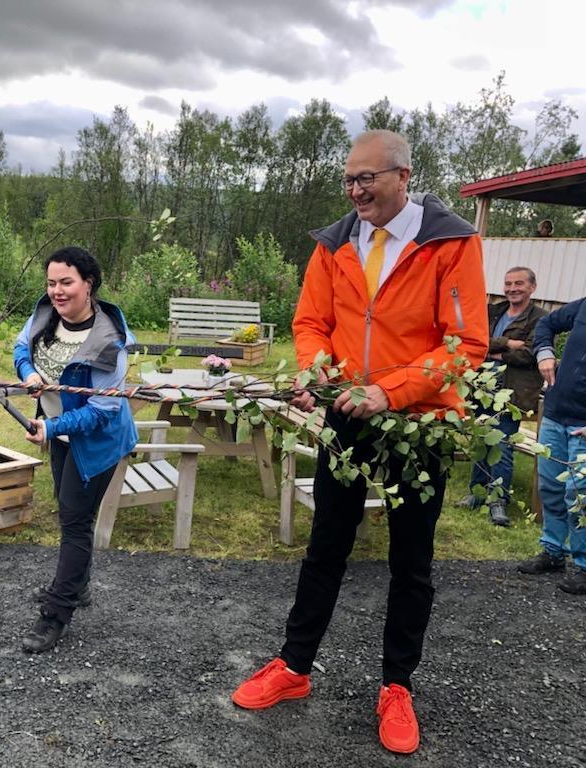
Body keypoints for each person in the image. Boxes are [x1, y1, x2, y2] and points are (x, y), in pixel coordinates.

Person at [230, 130, 487, 754]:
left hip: (416, 422)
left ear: (404, 175)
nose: (355, 190)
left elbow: (467, 345)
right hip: (347, 412)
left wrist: (391, 392)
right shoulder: (336, 242)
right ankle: (294, 668)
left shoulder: (452, 243)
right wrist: (318, 371)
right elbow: (311, 322)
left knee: (411, 560)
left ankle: (396, 686)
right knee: (326, 545)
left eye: (366, 178)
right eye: (349, 179)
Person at [13, 246, 138, 653]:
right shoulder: (45, 315)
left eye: (66, 282)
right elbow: (21, 347)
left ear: (89, 284)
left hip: (97, 442)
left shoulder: (109, 342)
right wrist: (30, 373)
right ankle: (78, 586)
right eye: (51, 282)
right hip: (60, 435)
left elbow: (102, 410)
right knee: (68, 509)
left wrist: (51, 428)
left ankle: (56, 614)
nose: (57, 291)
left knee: (74, 521)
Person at [458, 267, 545, 526]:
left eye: (519, 283)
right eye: (508, 283)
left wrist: (493, 350)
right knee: (482, 441)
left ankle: (498, 501)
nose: (512, 288)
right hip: (482, 389)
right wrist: (507, 343)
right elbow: (475, 341)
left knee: (502, 444)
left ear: (532, 287)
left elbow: (530, 354)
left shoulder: (541, 318)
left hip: (512, 393)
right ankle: (476, 493)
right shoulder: (493, 310)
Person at [518, 298, 586, 594]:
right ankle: (553, 551)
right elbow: (547, 323)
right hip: (556, 414)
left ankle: (583, 566)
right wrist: (544, 353)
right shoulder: (584, 306)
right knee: (550, 487)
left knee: (580, 497)